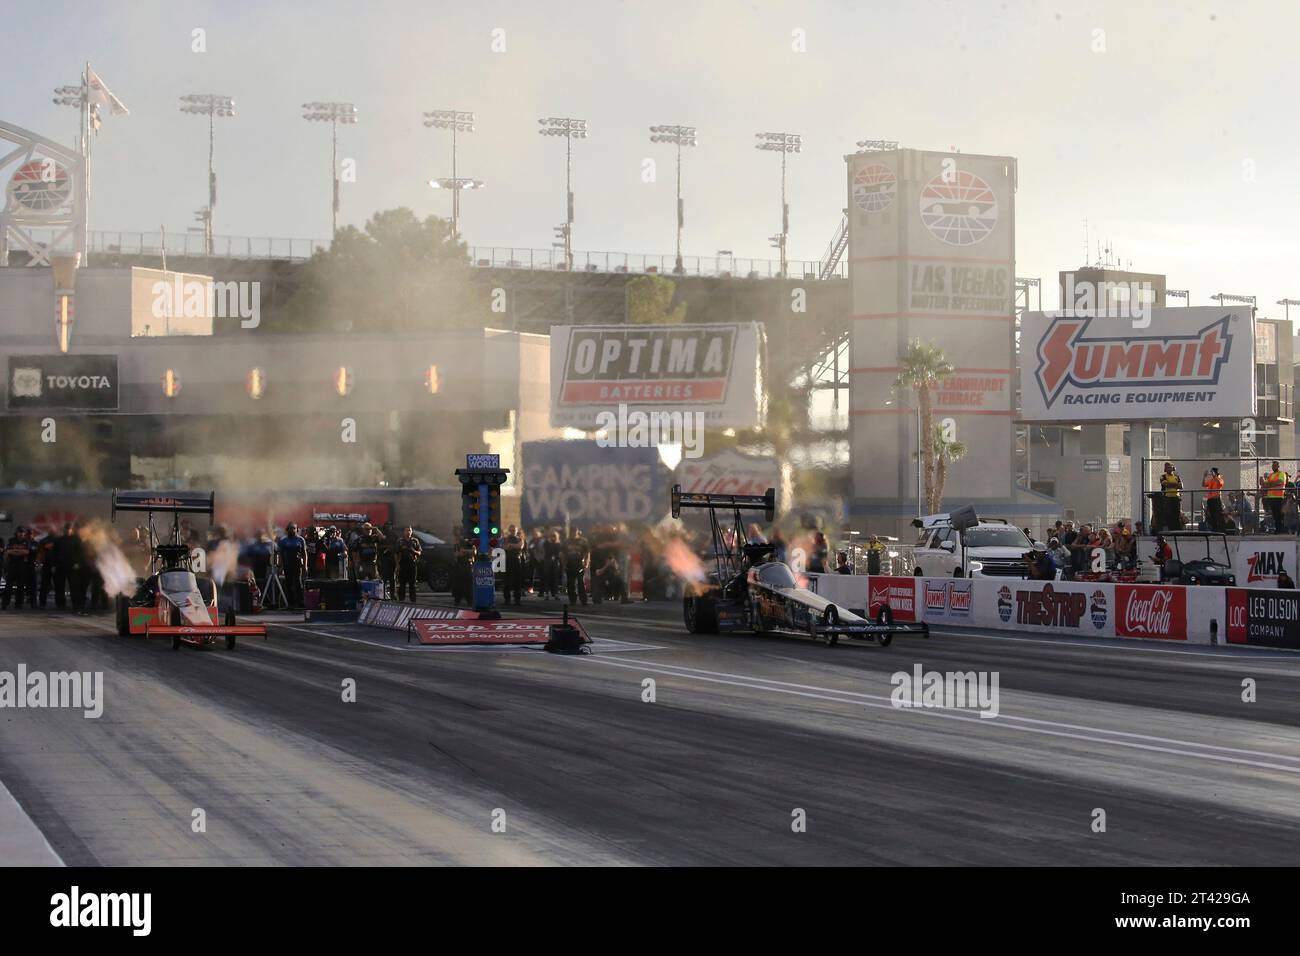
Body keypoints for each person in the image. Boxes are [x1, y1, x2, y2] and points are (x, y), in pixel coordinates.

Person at [2, 528, 33, 610]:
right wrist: (20, 551)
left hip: (22, 566)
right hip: (12, 566)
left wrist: (15, 551)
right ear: (16, 533)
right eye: (19, 532)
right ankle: (5, 603)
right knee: (8, 586)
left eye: (22, 532)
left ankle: (18, 604)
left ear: (24, 533)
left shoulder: (26, 541)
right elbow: (8, 551)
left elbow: (27, 552)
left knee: (21, 586)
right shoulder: (11, 540)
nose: (21, 534)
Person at [278, 523, 307, 609]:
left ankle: (300, 602)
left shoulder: (301, 540)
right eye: (290, 528)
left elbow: (304, 553)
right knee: (288, 584)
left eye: (294, 528)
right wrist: (280, 566)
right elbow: (280, 554)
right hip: (287, 565)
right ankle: (290, 603)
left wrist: (305, 565)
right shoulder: (283, 540)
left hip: (297, 565)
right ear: (287, 529)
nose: (292, 530)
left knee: (298, 583)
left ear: (297, 529)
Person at [563, 529, 590, 605]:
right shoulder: (567, 542)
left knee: (581, 582)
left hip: (579, 564)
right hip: (569, 564)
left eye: (575, 532)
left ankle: (583, 600)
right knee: (570, 583)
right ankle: (572, 600)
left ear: (578, 532)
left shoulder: (583, 541)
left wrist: (586, 564)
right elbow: (563, 553)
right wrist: (564, 564)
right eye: (572, 532)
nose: (573, 533)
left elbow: (587, 553)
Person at [396, 527, 422, 602]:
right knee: (402, 583)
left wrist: (414, 551)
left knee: (412, 584)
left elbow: (420, 552)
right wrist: (397, 564)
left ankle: (413, 600)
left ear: (411, 532)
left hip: (412, 564)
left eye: (410, 530)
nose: (408, 532)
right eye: (406, 530)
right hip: (403, 564)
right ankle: (401, 600)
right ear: (404, 532)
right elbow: (396, 553)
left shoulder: (415, 541)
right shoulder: (400, 541)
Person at [1261, 461, 1288, 534]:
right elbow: (1265, 484)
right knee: (1275, 515)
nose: (1273, 467)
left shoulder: (1281, 474)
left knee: (1279, 515)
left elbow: (1280, 482)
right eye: (1273, 466)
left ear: (1278, 466)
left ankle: (1281, 530)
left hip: (1279, 497)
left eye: (1275, 466)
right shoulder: (1270, 475)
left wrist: (1270, 484)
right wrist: (1273, 484)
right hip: (1271, 498)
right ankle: (1278, 530)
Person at [1157, 462, 1182, 533]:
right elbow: (1166, 485)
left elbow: (1181, 486)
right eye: (1167, 467)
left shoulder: (1176, 476)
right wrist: (1175, 484)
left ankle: (1178, 531)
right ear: (1165, 469)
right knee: (1169, 515)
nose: (1169, 469)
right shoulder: (1163, 476)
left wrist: (1171, 484)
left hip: (1176, 498)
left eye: (1170, 467)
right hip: (1168, 498)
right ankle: (1171, 530)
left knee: (1176, 514)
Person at [503, 525, 525, 606]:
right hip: (508, 560)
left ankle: (517, 599)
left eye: (514, 530)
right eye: (511, 530)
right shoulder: (506, 539)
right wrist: (513, 546)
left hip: (516, 560)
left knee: (517, 581)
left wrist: (511, 546)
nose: (512, 531)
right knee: (507, 581)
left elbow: (520, 546)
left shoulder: (519, 539)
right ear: (509, 530)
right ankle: (507, 599)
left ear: (516, 530)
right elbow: (504, 547)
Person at [1202, 467, 1226, 532]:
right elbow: (1203, 484)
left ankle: (1222, 529)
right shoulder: (1211, 480)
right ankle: (1214, 529)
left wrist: (1216, 476)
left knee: (1218, 514)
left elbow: (1219, 483)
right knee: (1212, 515)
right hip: (1210, 499)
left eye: (1212, 472)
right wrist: (1204, 476)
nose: (1211, 474)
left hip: (1216, 499)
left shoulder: (1219, 479)